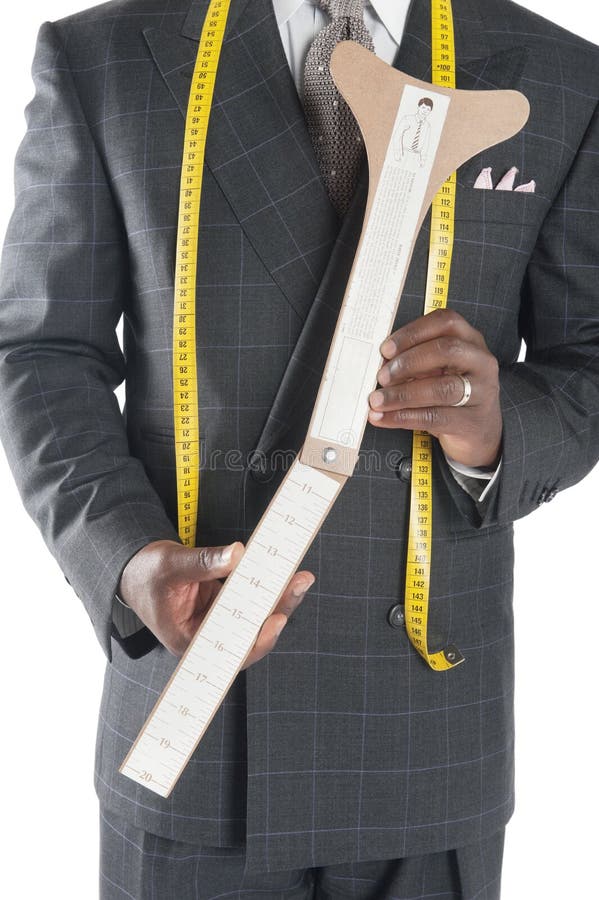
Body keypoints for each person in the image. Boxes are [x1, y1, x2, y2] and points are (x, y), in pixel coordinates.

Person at [0, 0, 598, 897]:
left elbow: (584, 358)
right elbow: (44, 351)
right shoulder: (107, 55)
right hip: (192, 713)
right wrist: (124, 557)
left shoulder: (558, 76)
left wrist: (499, 425)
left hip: (427, 739)